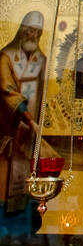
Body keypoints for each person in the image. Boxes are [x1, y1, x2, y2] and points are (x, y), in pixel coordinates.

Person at [0, 12, 46, 214]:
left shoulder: (42, 59)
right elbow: (7, 92)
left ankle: (22, 231)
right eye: (30, 29)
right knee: (6, 178)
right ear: (21, 30)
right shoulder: (6, 56)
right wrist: (29, 118)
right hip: (11, 128)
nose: (33, 34)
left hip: (32, 132)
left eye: (37, 31)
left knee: (27, 176)